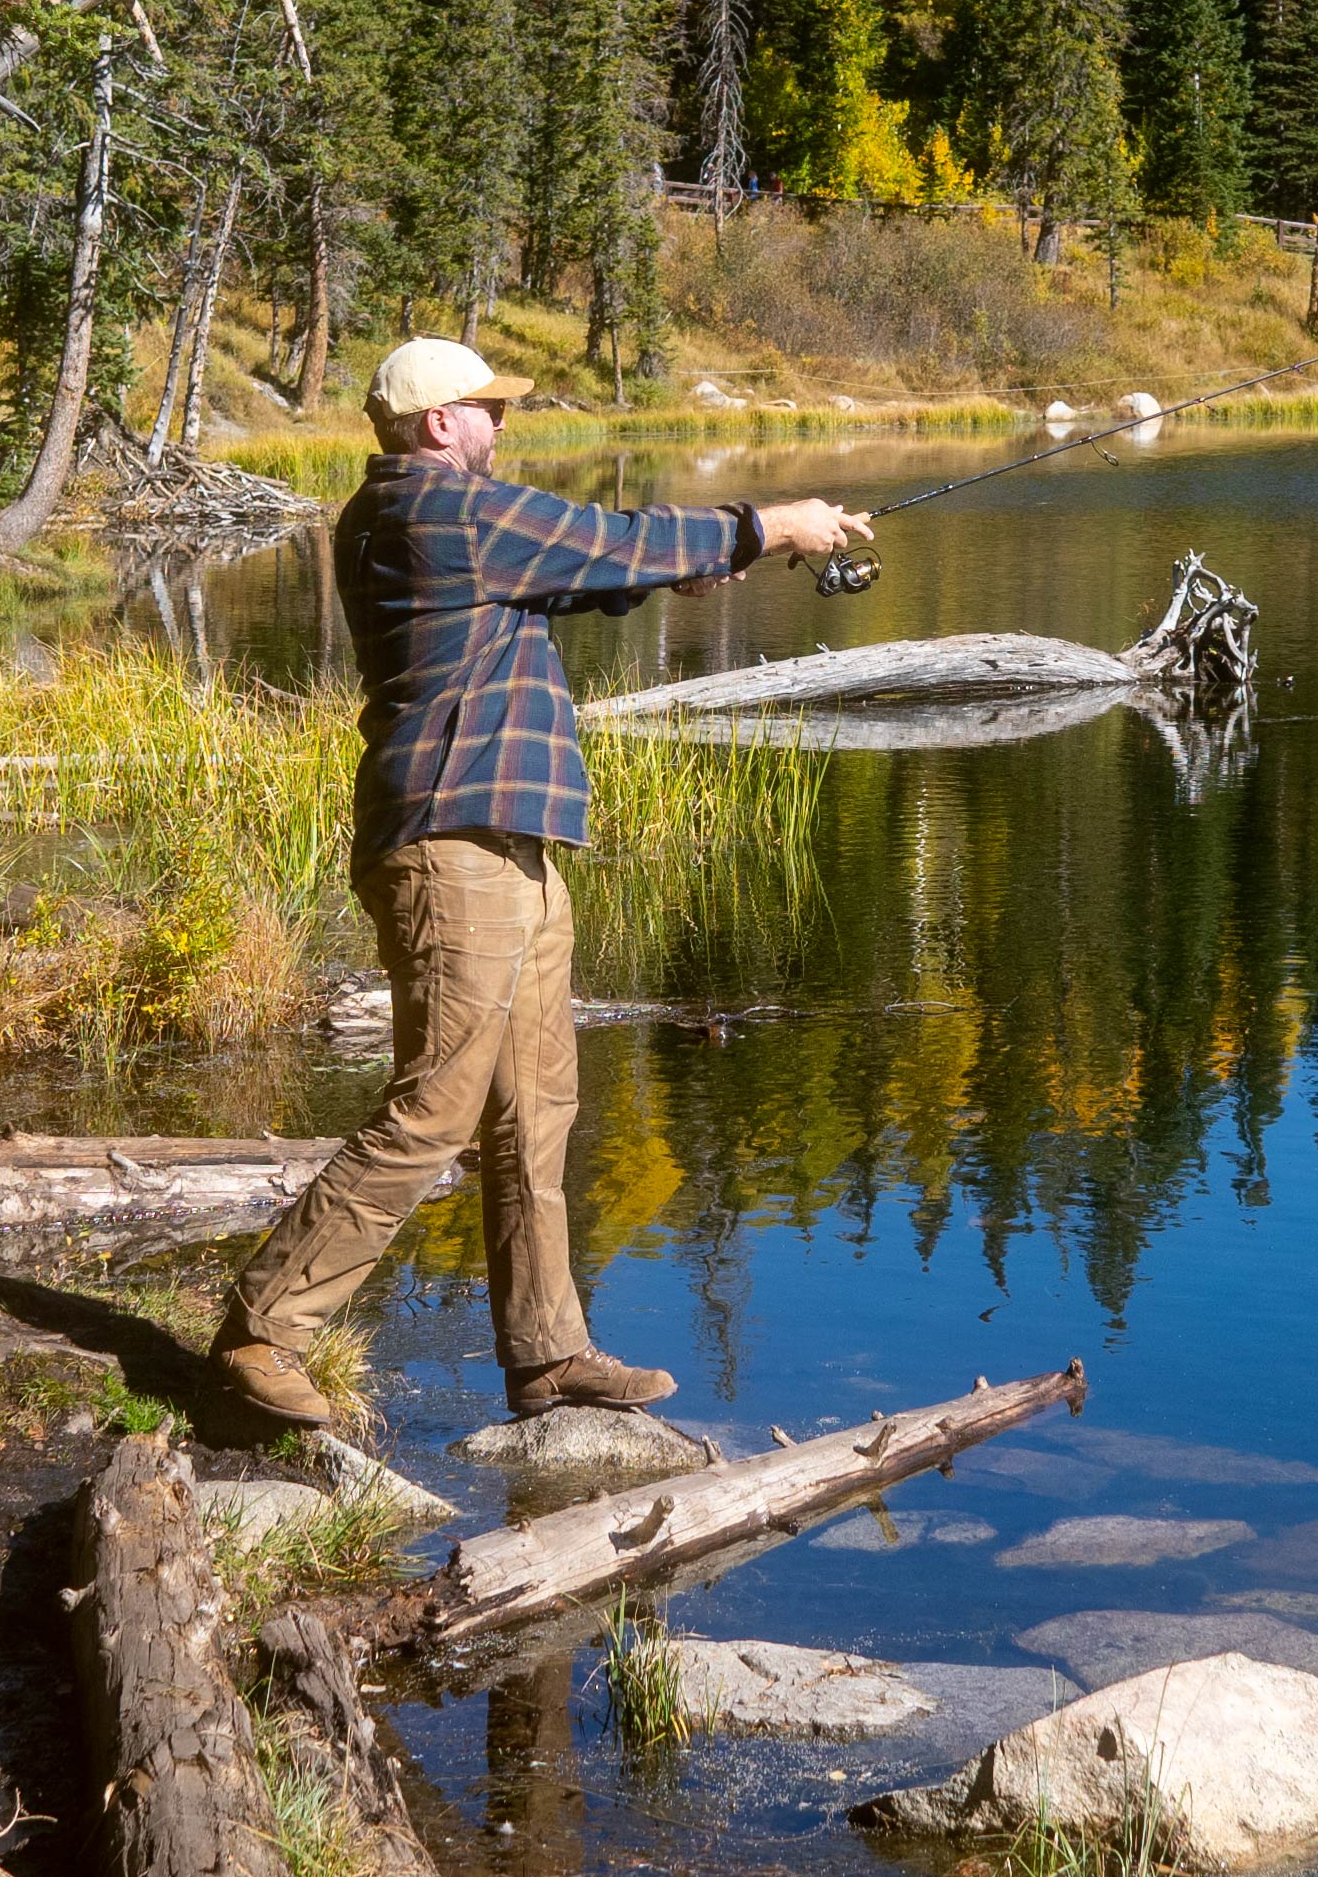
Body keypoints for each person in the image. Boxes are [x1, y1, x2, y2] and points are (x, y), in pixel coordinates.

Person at [211, 337, 863, 1431]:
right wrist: (771, 523)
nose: (501, 428)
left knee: (538, 1108)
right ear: (436, 426)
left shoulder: (429, 519)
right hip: (454, 844)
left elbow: (565, 574)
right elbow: (603, 538)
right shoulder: (437, 508)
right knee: (436, 1105)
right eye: (487, 412)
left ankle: (549, 1353)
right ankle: (262, 1331)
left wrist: (677, 568)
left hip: (507, 837)